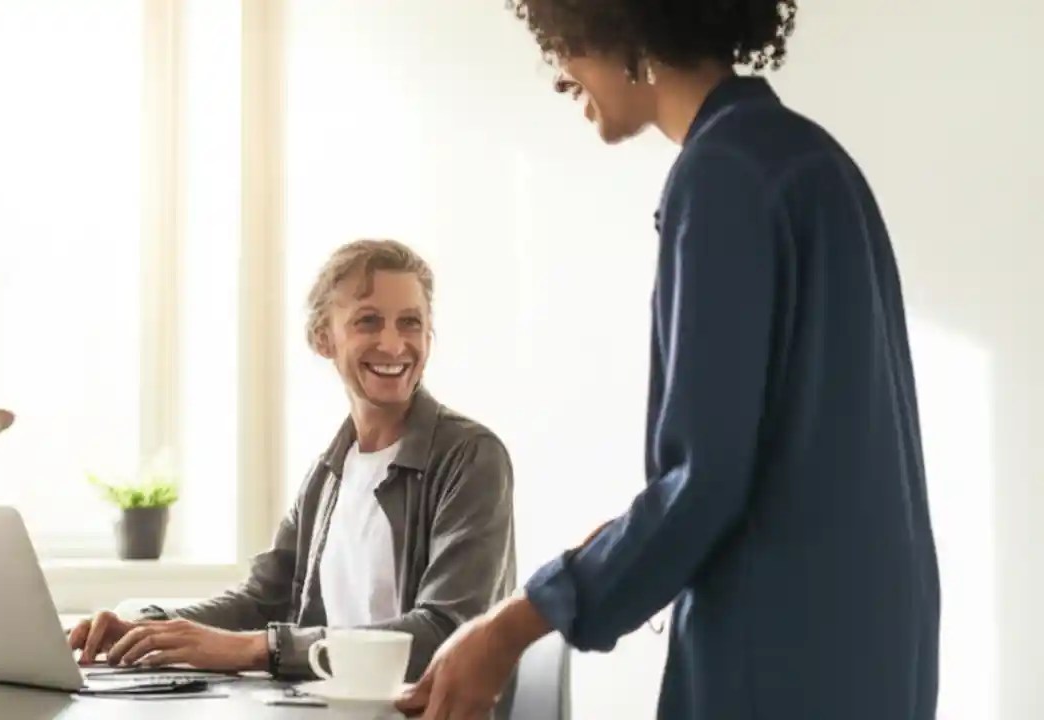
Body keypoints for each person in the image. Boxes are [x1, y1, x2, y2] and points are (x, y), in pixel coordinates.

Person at [397, 1, 940, 719]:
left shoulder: (722, 174)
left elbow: (704, 484)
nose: (558, 67)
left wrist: (510, 626)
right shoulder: (812, 160)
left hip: (775, 653)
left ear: (622, 29)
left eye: (564, 45)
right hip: (874, 643)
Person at [68, 239, 517, 683]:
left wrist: (259, 648)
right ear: (323, 339)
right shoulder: (330, 473)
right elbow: (262, 601)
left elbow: (448, 633)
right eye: (368, 321)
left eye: (411, 323)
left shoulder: (471, 458)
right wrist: (149, 625)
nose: (393, 343)